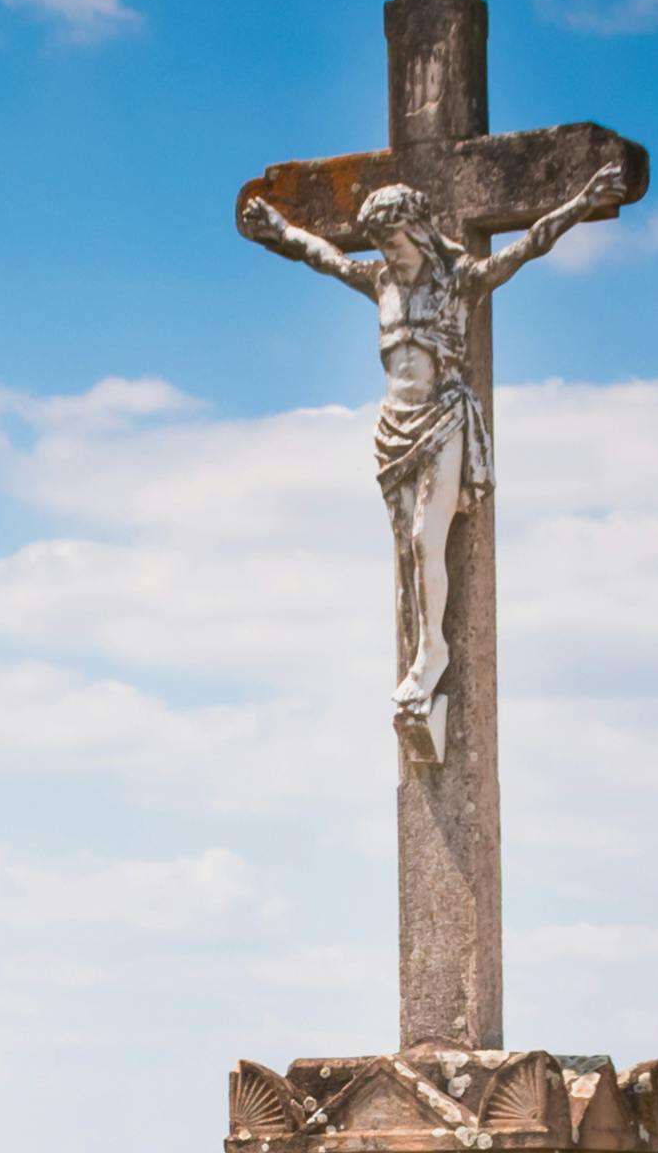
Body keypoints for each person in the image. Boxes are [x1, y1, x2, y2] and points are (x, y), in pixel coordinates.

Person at [238, 160, 628, 757]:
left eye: (392, 241)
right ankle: (418, 655)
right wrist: (277, 230)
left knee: (426, 539)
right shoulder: (381, 285)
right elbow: (323, 258)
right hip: (393, 429)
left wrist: (581, 201)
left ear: (417, 234)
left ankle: (434, 651)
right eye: (378, 245)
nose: (385, 253)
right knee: (404, 555)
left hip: (443, 419)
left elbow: (528, 247)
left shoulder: (458, 282)